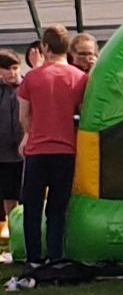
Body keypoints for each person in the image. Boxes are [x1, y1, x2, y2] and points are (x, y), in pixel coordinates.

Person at [15, 26, 87, 267]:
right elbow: (82, 112)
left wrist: (29, 133)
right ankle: (56, 255)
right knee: (57, 209)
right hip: (65, 150)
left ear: (44, 47)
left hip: (38, 150)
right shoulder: (79, 78)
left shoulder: (33, 78)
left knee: (32, 208)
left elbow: (23, 116)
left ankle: (34, 257)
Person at [0, 51, 23, 261]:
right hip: (4, 153)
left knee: (27, 194)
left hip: (26, 152)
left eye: (15, 68)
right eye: (8, 69)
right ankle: (14, 236)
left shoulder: (26, 86)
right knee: (8, 194)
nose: (12, 73)